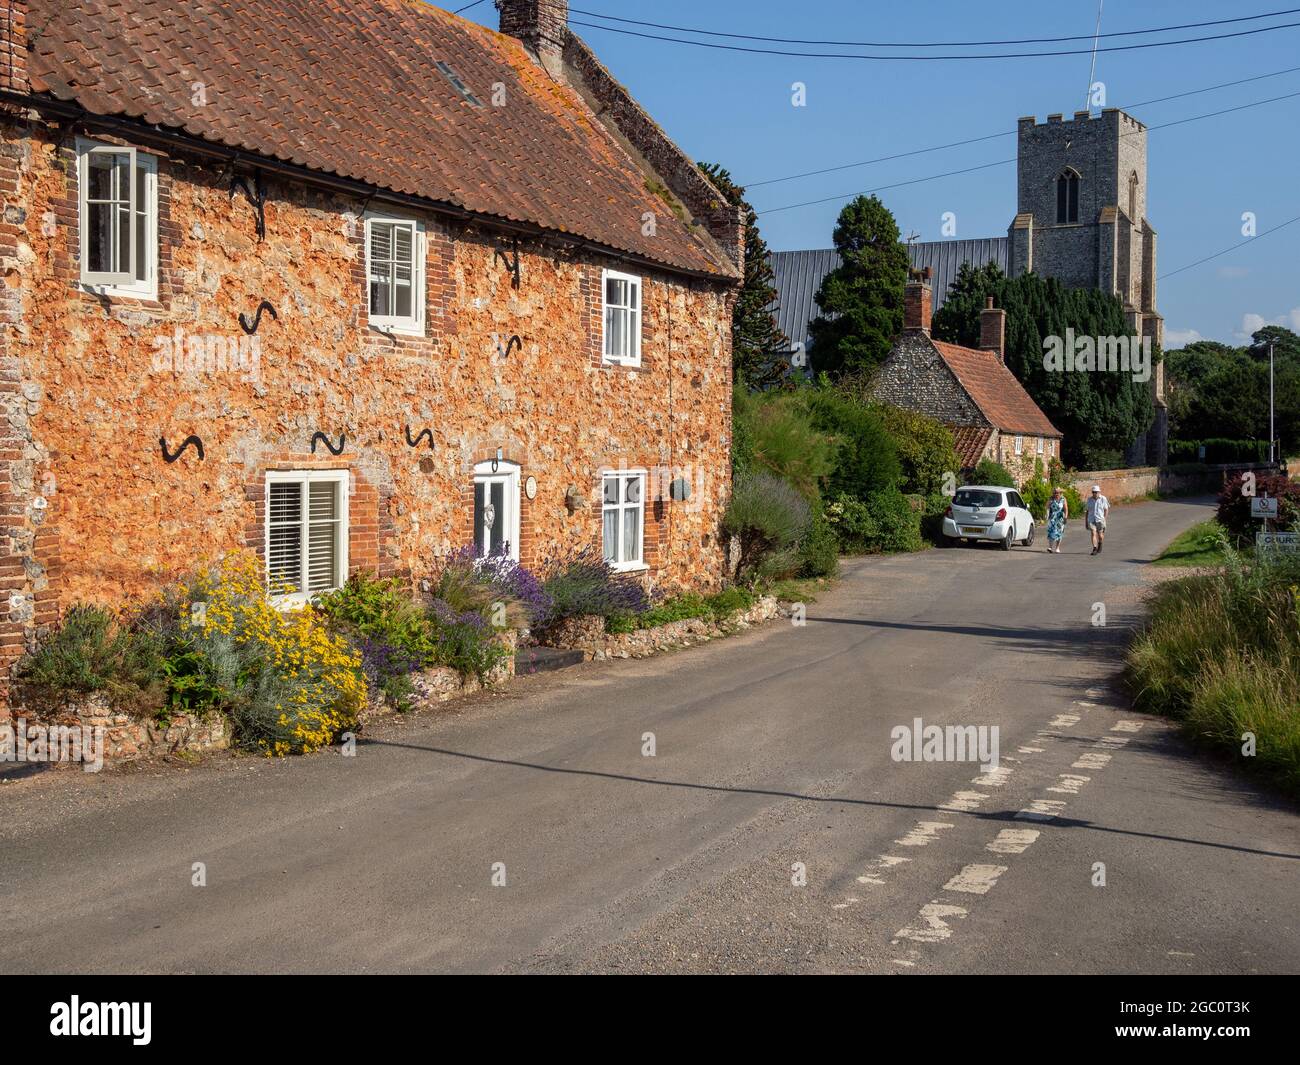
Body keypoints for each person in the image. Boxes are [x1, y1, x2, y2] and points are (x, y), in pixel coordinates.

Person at [1085, 484, 1110, 555]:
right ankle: (1094, 548)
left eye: (1096, 492)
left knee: (1100, 535)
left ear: (1099, 492)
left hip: (1100, 519)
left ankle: (1100, 543)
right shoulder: (1089, 500)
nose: (1094, 493)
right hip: (1091, 519)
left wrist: (1104, 519)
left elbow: (1106, 509)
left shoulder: (1103, 499)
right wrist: (1086, 521)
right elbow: (1087, 511)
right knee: (1093, 532)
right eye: (1093, 492)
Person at [1045, 486, 1068, 553]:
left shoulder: (1063, 499)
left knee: (1059, 533)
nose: (1056, 494)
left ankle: (1057, 548)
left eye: (1057, 493)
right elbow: (1047, 507)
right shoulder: (1051, 499)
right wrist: (1047, 514)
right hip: (1052, 517)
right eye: (1055, 492)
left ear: (1060, 493)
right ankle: (1050, 547)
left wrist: (1065, 517)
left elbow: (1066, 509)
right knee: (1051, 531)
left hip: (1060, 517)